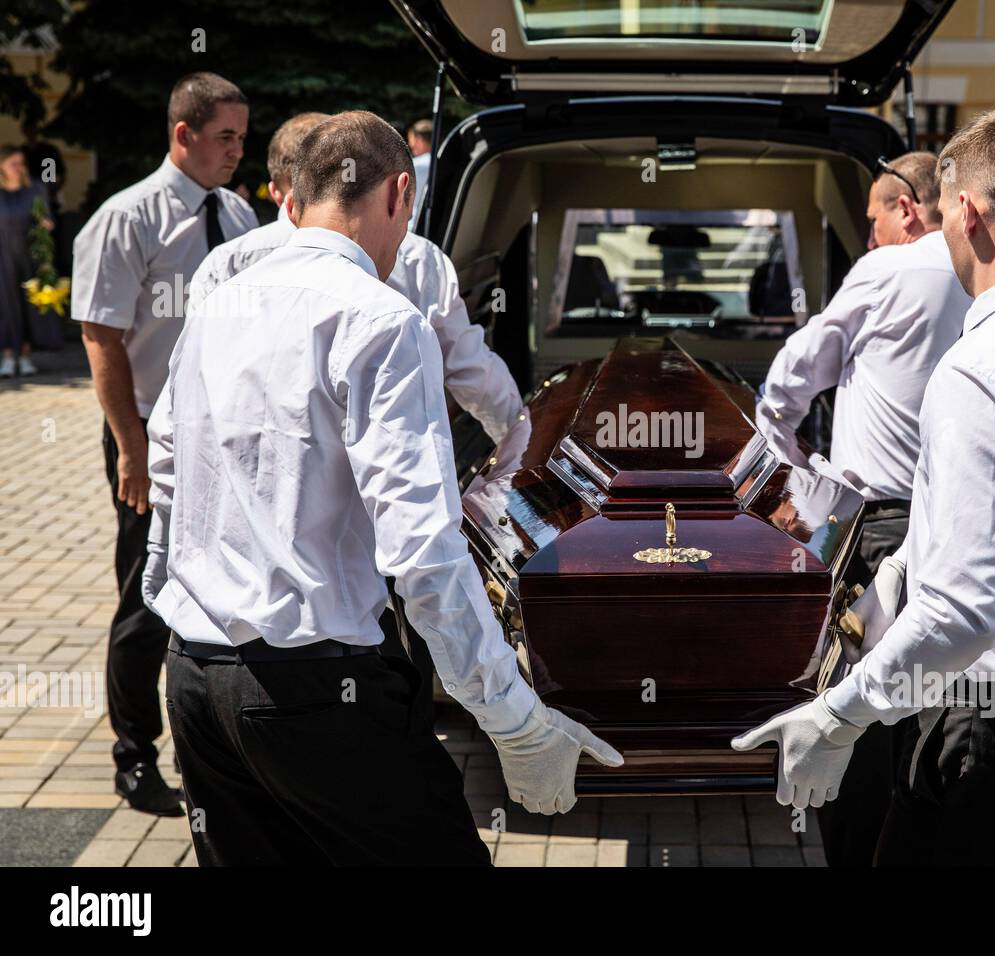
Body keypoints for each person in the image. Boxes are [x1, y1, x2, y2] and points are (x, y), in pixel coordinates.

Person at [146, 111, 621, 866]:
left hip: (196, 682)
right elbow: (424, 555)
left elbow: (167, 457)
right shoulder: (381, 318)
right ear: (401, 191)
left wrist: (164, 589)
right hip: (316, 693)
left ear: (297, 191)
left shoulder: (218, 303)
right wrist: (514, 720)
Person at [735, 104, 995, 867]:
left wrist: (838, 716)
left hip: (991, 724)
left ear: (970, 214)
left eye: (945, 214)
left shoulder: (980, 371)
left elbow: (965, 611)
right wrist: (900, 564)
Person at [754, 150, 970, 867]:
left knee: (860, 725)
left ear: (906, 208)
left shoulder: (887, 269)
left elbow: (791, 378)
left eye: (874, 217)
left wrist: (797, 471)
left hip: (878, 537)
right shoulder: (990, 273)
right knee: (940, 708)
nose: (869, 234)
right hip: (964, 530)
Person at [72, 72, 257, 816]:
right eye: (225, 136)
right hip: (150, 434)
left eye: (243, 137)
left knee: (225, 591)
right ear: (183, 134)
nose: (237, 151)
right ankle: (134, 753)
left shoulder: (240, 214)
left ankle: (219, 743)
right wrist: (130, 447)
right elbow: (102, 340)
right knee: (145, 600)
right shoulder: (128, 219)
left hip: (227, 435)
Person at [190, 112, 523, 442]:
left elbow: (187, 403)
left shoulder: (226, 266)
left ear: (281, 194)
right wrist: (521, 442)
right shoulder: (419, 264)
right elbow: (472, 370)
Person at [0, 146, 52, 377]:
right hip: (2, 256)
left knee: (27, 305)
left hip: (28, 256)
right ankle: (8, 356)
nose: (19, 168)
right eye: (13, 163)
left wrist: (45, 224)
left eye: (21, 163)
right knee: (5, 306)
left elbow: (48, 222)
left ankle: (26, 355)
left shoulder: (35, 190)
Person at [407, 118, 433, 231]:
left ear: (418, 139)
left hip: (413, 225)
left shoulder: (414, 166)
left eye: (411, 139)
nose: (410, 144)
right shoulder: (442, 164)